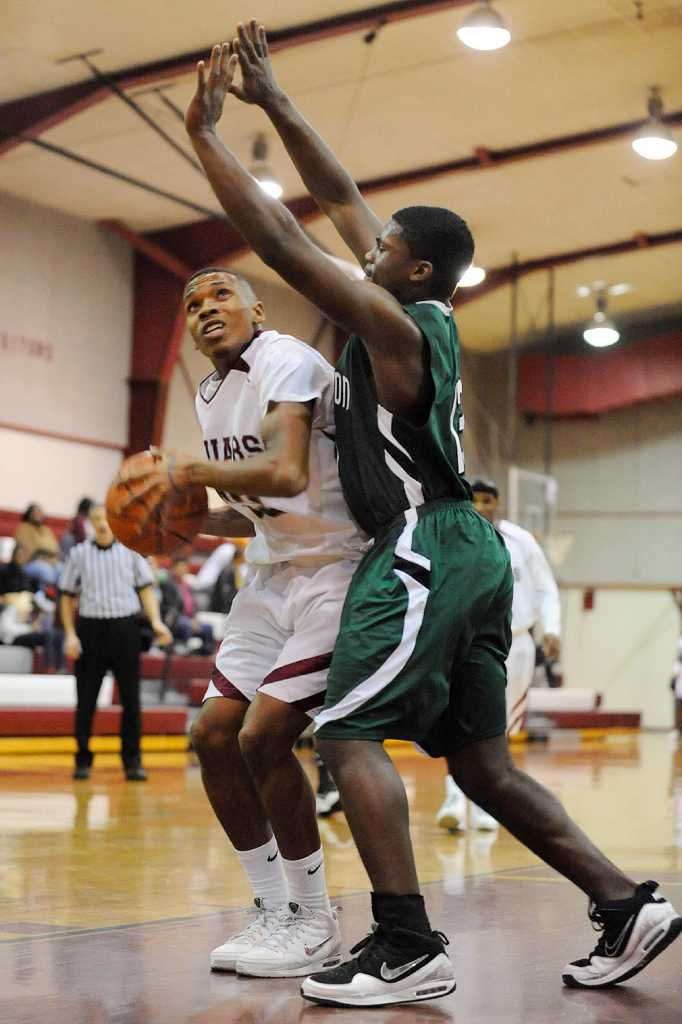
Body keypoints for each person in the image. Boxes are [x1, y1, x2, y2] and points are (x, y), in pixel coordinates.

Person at [175, 23, 681, 1007]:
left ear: (410, 272)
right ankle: (626, 906)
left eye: (382, 248)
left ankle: (405, 942)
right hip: (466, 549)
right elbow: (338, 199)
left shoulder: (396, 327)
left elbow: (284, 240)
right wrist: (276, 102)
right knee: (483, 768)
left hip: (421, 544)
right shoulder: (416, 306)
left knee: (346, 731)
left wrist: (205, 135)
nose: (365, 246)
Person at [120, 264, 367, 978]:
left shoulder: (286, 358)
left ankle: (316, 917)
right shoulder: (210, 395)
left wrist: (190, 474)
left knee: (264, 736)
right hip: (271, 573)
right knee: (212, 735)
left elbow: (287, 473)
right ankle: (273, 908)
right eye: (192, 304)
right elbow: (258, 509)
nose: (205, 309)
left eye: (221, 295)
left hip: (337, 571)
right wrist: (176, 524)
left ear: (257, 311)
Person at [437, 477, 561, 833]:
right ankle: (455, 800)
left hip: (517, 643)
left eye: (487, 500)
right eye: (474, 499)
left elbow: (546, 589)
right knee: (459, 723)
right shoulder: (450, 536)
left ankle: (484, 804)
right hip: (465, 642)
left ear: (498, 503)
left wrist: (552, 629)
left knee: (498, 729)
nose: (481, 506)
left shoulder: (521, 541)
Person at [59, 504, 172, 781]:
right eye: (96, 519)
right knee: (86, 699)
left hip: (125, 629)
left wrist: (156, 621)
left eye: (105, 519)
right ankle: (82, 758)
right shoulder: (78, 554)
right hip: (90, 629)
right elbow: (66, 595)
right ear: (89, 523)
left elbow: (145, 590)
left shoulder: (131, 551)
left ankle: (132, 761)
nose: (101, 524)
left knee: (131, 700)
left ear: (113, 521)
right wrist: (70, 633)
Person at [160, 557, 215, 655]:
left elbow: (194, 605)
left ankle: (205, 653)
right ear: (173, 568)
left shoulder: (188, 585)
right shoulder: (168, 585)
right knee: (185, 624)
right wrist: (188, 620)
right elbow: (170, 608)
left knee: (208, 628)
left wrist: (194, 619)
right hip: (176, 619)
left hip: (190, 618)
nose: (183, 570)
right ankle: (184, 651)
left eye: (184, 567)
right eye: (180, 567)